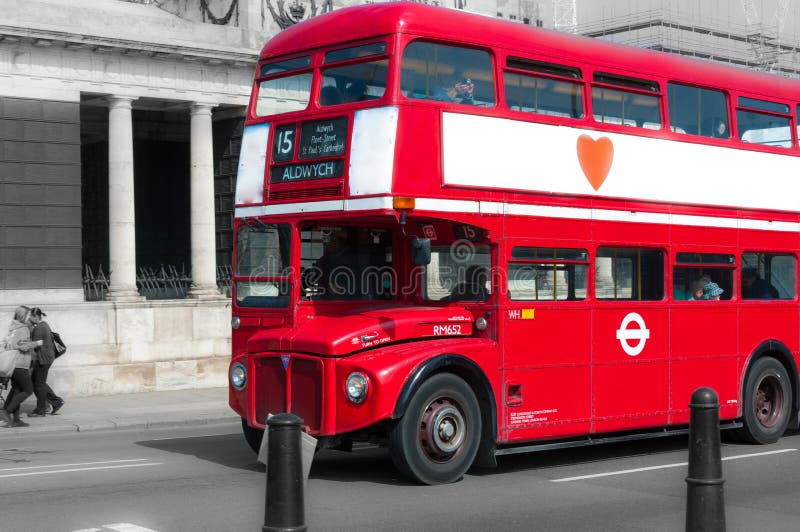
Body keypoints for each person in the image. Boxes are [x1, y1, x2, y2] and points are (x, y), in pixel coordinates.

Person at [0, 306, 40, 428]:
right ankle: (7, 411)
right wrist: (36, 343)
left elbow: (10, 344)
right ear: (22, 316)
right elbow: (22, 346)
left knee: (17, 390)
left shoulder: (13, 327)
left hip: (13, 364)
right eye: (28, 315)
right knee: (28, 390)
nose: (29, 317)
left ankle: (16, 420)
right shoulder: (23, 329)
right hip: (20, 364)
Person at [28, 308, 65, 417]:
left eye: (31, 316)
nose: (29, 318)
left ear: (36, 317)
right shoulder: (44, 325)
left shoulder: (39, 328)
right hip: (46, 358)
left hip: (43, 359)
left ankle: (41, 410)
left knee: (39, 384)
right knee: (38, 382)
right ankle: (55, 402)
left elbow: (34, 345)